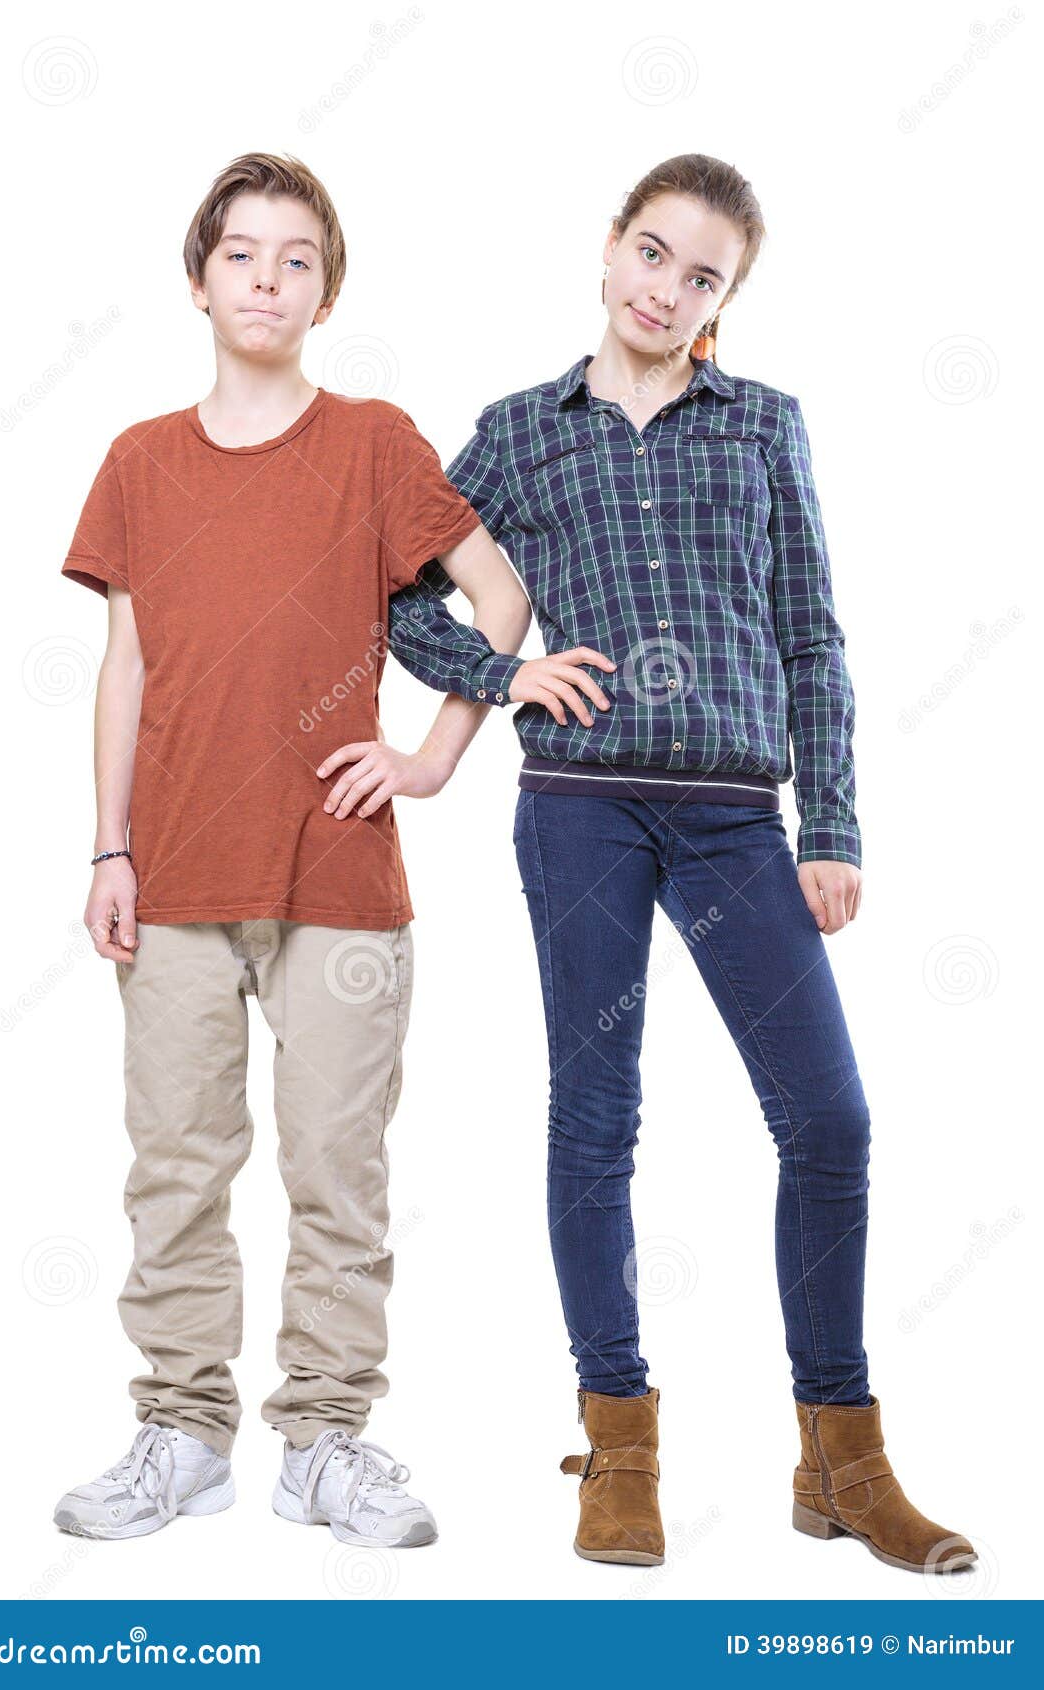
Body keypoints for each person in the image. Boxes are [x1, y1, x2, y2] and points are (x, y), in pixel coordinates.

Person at [341, 153, 977, 1575]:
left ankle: (842, 1453)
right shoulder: (519, 429)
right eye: (652, 252)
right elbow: (390, 587)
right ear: (610, 249)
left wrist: (832, 829)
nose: (667, 288)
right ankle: (618, 1441)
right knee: (596, 1115)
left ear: (723, 301)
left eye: (703, 276)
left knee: (831, 1119)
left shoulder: (764, 427)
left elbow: (813, 634)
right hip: (581, 807)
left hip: (737, 815)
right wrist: (505, 673)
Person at [52, 151, 598, 1546]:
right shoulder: (139, 461)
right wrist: (108, 851)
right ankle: (181, 1431)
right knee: (175, 1161)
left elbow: (501, 595)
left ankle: (327, 1440)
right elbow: (125, 667)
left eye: (298, 258)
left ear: (326, 289)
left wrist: (427, 756)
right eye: (243, 253)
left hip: (340, 880)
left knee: (336, 1166)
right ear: (199, 276)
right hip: (172, 872)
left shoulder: (374, 445)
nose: (269, 278)